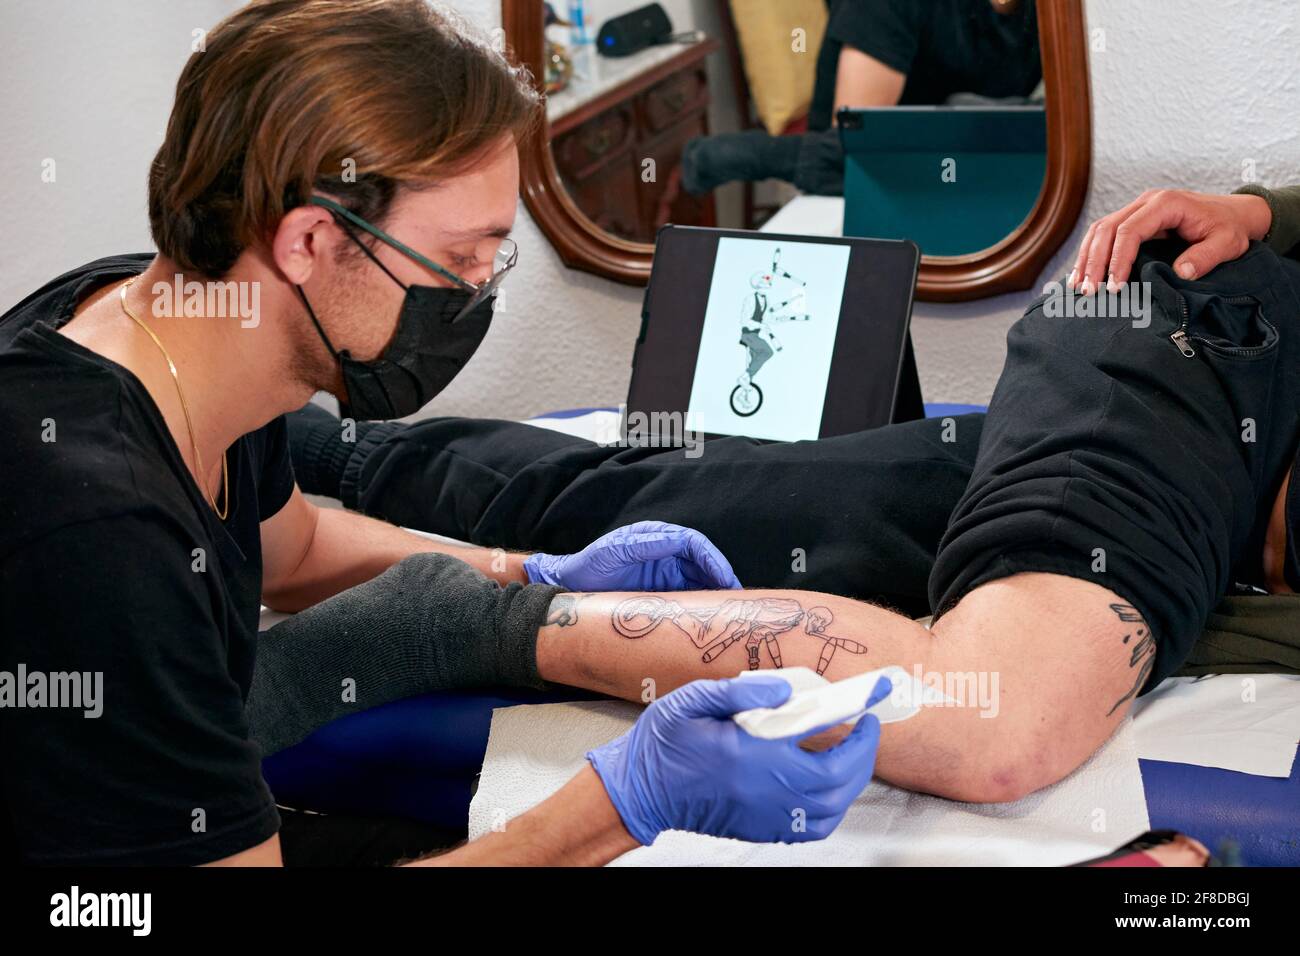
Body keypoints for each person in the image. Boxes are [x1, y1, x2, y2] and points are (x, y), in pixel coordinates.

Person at [0, 0, 879, 867]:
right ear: (309, 237)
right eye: (459, 259)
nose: (474, 294)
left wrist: (525, 574)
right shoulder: (98, 529)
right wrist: (627, 802)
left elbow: (294, 551)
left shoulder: (174, 325)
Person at [289, 179, 1300, 805]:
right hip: (1218, 367)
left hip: (1234, 500)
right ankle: (460, 620)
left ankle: (338, 457)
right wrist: (1273, 211)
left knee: (744, 503)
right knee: (995, 719)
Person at [683, 0, 1042, 197]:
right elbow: (858, 142)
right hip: (858, 160)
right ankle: (746, 154)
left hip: (965, 159)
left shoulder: (1056, 13)